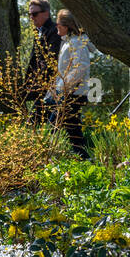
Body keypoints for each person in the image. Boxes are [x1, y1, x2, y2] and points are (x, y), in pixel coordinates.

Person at [42, 9, 91, 158]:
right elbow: (64, 72)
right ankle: (85, 158)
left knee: (53, 126)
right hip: (70, 92)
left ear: (67, 26)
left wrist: (63, 88)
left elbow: (81, 67)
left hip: (72, 93)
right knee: (73, 129)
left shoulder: (76, 43)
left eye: (58, 24)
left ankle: (46, 157)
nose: (56, 27)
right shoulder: (69, 43)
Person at [21, 0, 61, 125]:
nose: (31, 17)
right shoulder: (39, 32)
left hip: (51, 87)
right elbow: (35, 60)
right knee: (41, 124)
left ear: (46, 13)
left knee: (34, 123)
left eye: (34, 14)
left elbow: (51, 60)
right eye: (29, 14)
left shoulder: (55, 30)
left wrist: (40, 83)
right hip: (41, 86)